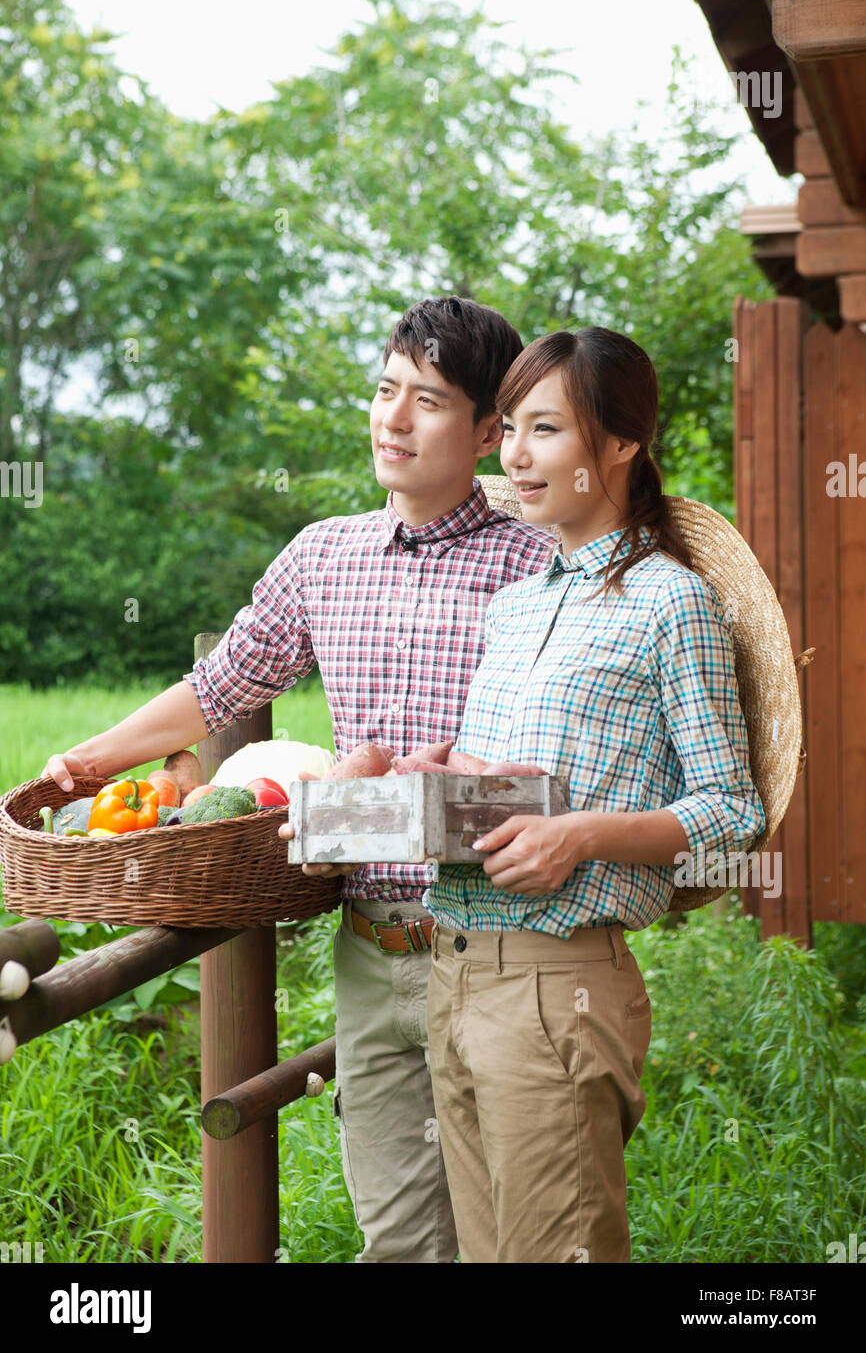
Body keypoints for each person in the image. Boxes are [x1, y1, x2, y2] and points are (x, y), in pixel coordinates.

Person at [40, 297, 557, 1264]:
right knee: (400, 1241)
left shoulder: (541, 567)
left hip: (500, 948)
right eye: (384, 390)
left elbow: (549, 788)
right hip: (370, 951)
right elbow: (218, 685)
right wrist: (91, 763)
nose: (393, 419)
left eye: (429, 400)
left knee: (517, 1240)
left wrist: (350, 811)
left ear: (490, 429)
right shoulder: (325, 556)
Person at [420, 327, 766, 1263]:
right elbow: (505, 800)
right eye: (509, 430)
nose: (516, 456)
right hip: (452, 973)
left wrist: (579, 837)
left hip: (555, 987)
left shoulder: (671, 603)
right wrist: (434, 784)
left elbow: (732, 812)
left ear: (619, 444)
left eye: (546, 429)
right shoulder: (519, 603)